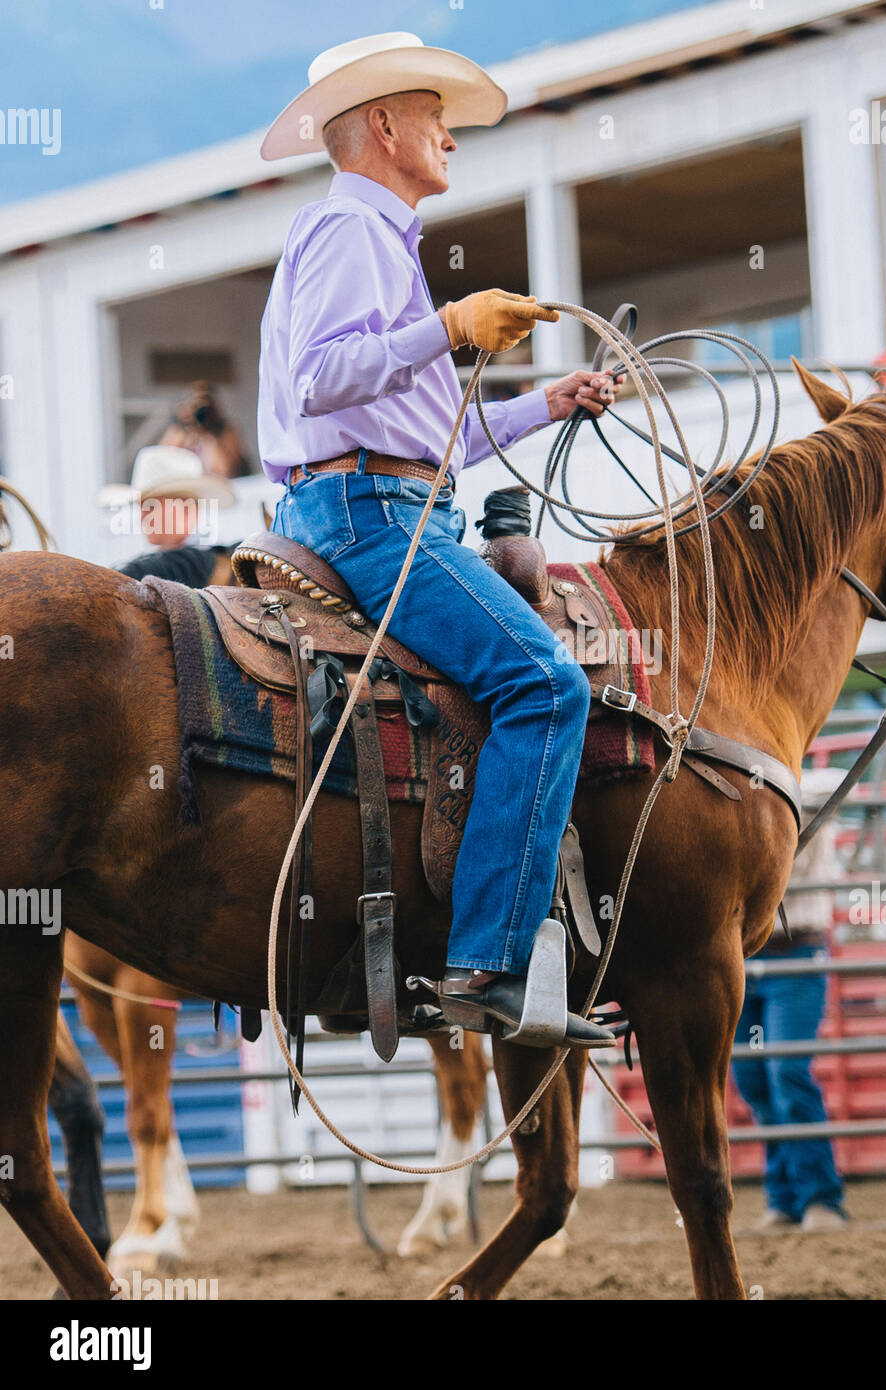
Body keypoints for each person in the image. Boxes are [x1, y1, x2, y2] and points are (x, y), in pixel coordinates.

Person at [257, 32, 620, 1049]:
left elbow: (427, 441)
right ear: (383, 123)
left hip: (383, 498)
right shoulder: (349, 229)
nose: (449, 134)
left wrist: (545, 404)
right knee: (546, 684)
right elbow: (323, 382)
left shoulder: (372, 240)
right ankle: (492, 965)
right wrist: (452, 325)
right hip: (372, 515)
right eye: (434, 114)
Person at [732, 769, 848, 1231]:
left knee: (787, 1072)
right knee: (755, 1080)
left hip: (798, 950)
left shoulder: (804, 785)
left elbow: (837, 783)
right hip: (745, 957)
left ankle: (821, 1198)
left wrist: (761, 783)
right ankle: (784, 1200)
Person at [98, 444, 236, 585]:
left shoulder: (203, 566)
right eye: (142, 507)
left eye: (151, 506)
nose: (143, 516)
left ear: (186, 510)